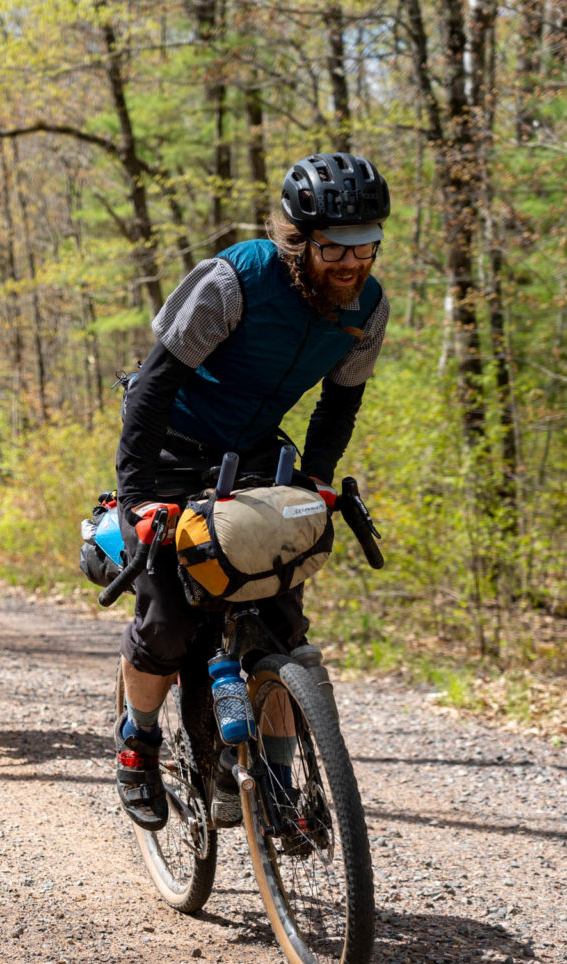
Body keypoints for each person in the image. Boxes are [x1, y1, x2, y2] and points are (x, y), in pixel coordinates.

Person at [112, 152, 392, 831]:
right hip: (175, 448)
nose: (353, 263)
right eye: (334, 248)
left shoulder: (368, 307)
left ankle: (279, 779)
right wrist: (136, 500)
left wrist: (318, 480)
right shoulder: (234, 281)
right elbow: (152, 387)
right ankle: (138, 742)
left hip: (261, 455)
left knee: (279, 620)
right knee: (170, 622)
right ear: (296, 238)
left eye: (367, 246)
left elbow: (339, 404)